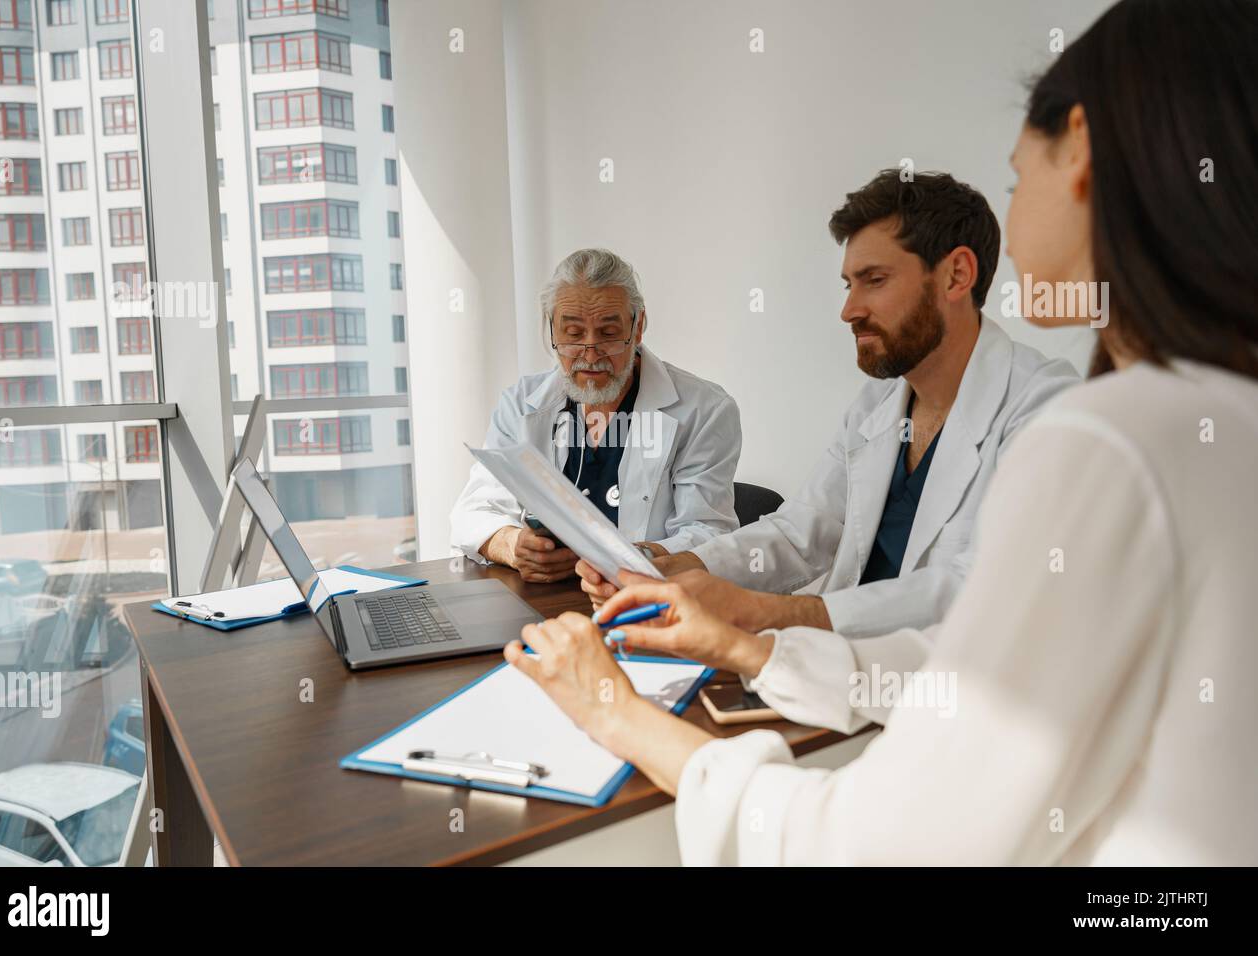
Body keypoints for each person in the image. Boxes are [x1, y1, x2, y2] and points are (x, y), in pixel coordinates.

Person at [508, 0, 1258, 864]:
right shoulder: (1215, 415)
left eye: (1020, 177)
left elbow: (882, 841)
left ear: (1080, 147)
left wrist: (614, 711)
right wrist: (733, 621)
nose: (846, 307)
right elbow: (917, 625)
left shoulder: (1106, 435)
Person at [579, 170, 1078, 644]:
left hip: (950, 691)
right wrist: (677, 567)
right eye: (848, 284)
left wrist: (771, 613)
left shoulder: (1045, 408)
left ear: (956, 276)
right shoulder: (879, 403)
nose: (849, 310)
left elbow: (978, 591)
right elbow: (801, 532)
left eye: (875, 280)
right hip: (843, 670)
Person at [450, 248, 741, 582]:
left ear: (639, 326)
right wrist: (512, 545)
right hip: (544, 600)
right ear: (552, 331)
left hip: (644, 601)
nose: (590, 354)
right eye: (573, 335)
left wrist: (626, 560)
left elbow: (709, 534)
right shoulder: (521, 404)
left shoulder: (704, 410)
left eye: (608, 334)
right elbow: (472, 510)